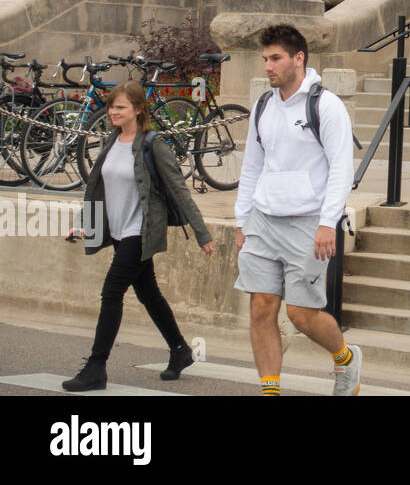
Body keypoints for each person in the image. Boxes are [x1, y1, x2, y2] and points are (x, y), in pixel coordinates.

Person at [61, 81, 214, 391]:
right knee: (149, 294)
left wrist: (202, 233)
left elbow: (177, 189)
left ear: (138, 109)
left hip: (140, 232)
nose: (113, 112)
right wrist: (83, 225)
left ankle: (96, 367)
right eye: (111, 106)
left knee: (111, 292)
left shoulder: (152, 143)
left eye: (120, 107)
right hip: (117, 231)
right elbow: (96, 191)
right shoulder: (111, 141)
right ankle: (181, 349)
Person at [235, 24, 361, 396]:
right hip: (263, 219)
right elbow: (251, 167)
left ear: (298, 58)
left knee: (300, 314)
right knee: (261, 307)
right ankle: (270, 391)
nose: (268, 66)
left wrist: (328, 223)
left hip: (308, 222)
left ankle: (345, 358)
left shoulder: (326, 105)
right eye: (265, 59)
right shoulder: (263, 104)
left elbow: (341, 168)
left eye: (275, 59)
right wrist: (242, 219)